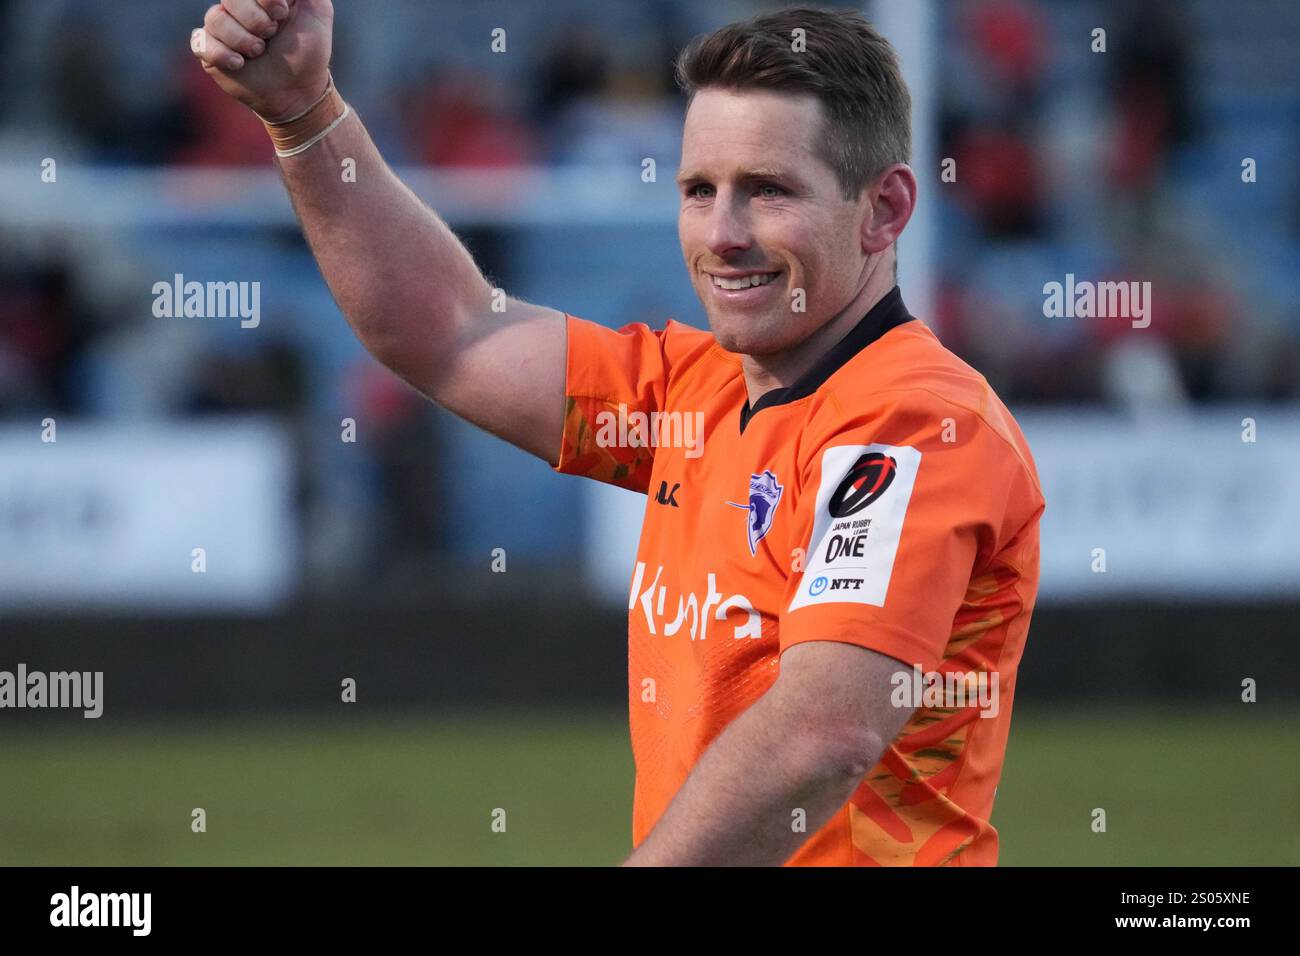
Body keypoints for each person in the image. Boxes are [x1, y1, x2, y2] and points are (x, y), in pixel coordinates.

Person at [191, 0, 1045, 866]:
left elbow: (824, 732)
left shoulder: (916, 424)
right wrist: (302, 113)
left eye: (769, 190)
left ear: (885, 209)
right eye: (698, 190)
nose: (722, 235)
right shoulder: (694, 385)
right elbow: (446, 330)